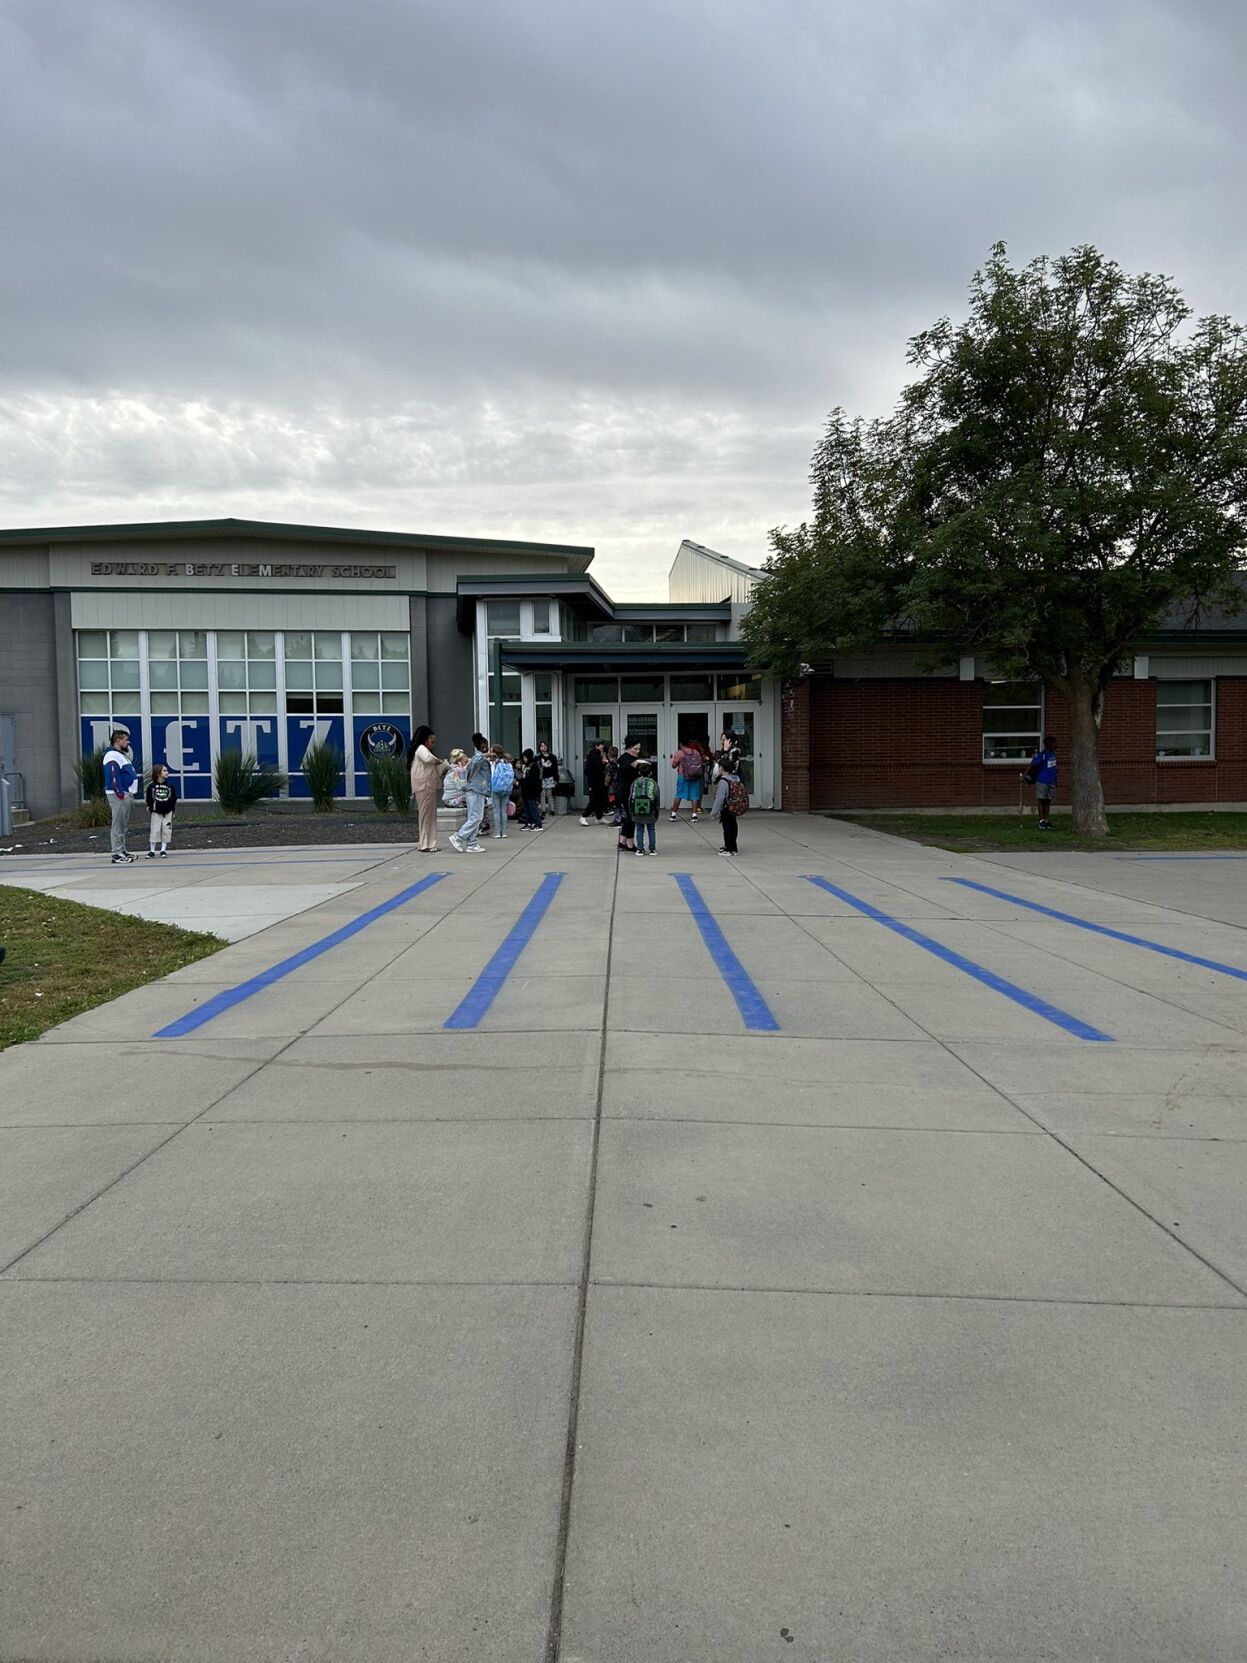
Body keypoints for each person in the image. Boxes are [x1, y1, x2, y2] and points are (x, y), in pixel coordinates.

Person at [409, 725, 449, 853]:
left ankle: (428, 843)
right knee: (426, 815)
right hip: (424, 786)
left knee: (429, 815)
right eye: (431, 742)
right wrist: (438, 761)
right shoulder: (421, 749)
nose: (433, 745)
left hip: (427, 786)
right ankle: (426, 843)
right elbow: (428, 759)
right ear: (425, 740)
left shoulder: (422, 750)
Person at [102, 726, 139, 864]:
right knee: (118, 824)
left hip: (124, 793)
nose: (128, 743)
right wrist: (120, 792)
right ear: (118, 740)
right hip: (119, 795)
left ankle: (122, 850)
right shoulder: (111, 755)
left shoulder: (119, 755)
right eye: (126, 740)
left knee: (123, 824)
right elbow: (113, 774)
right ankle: (116, 853)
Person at [450, 733, 491, 853]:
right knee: (476, 817)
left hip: (475, 790)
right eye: (486, 744)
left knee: (474, 817)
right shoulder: (479, 757)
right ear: (483, 745)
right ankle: (458, 837)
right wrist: (486, 754)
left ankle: (472, 843)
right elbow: (478, 760)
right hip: (475, 790)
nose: (488, 747)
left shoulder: (477, 758)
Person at [708, 756, 748, 857]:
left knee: (727, 828)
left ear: (722, 769)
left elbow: (719, 799)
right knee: (733, 827)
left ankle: (730, 849)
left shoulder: (723, 781)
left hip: (726, 808)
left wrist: (714, 812)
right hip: (734, 806)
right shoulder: (736, 778)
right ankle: (732, 847)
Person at [1022, 734, 1058, 830]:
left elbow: (1053, 767)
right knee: (1041, 800)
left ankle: (1046, 820)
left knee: (1048, 801)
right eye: (1054, 743)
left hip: (1051, 781)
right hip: (1042, 781)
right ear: (1049, 744)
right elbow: (1032, 764)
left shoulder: (1053, 754)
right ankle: (1041, 821)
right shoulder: (1043, 755)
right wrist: (1024, 776)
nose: (1056, 744)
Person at [144, 764, 178, 858]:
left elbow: (173, 799)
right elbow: (149, 799)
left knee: (166, 830)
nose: (167, 772)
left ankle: (163, 850)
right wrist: (151, 808)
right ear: (158, 773)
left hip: (168, 812)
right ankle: (152, 850)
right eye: (164, 771)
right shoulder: (151, 787)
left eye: (166, 770)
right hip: (156, 812)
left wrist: (172, 810)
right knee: (155, 830)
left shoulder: (170, 786)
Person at [616, 736, 642, 852]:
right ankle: (629, 843)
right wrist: (635, 763)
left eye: (638, 749)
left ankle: (623, 841)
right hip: (626, 792)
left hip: (629, 791)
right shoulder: (625, 758)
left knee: (629, 816)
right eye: (635, 749)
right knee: (631, 817)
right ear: (629, 748)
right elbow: (625, 771)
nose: (637, 751)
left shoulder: (628, 758)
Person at [629, 759, 660, 855]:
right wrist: (656, 810)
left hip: (638, 810)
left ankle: (640, 848)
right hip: (650, 810)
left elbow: (631, 797)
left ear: (639, 772)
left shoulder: (635, 782)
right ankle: (652, 848)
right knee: (651, 829)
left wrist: (631, 810)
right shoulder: (653, 783)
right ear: (650, 772)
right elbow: (657, 797)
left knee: (639, 829)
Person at [670, 739, 705, 822]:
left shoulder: (680, 753)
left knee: (679, 795)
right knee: (694, 796)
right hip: (695, 776)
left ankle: (673, 815)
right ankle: (694, 815)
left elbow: (673, 765)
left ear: (680, 743)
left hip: (683, 776)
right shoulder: (695, 752)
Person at [489, 747, 515, 838]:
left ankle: (497, 832)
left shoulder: (494, 764)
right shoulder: (508, 763)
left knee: (496, 811)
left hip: (496, 788)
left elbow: (492, 776)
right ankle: (504, 832)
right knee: (504, 811)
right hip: (506, 789)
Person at [581, 740, 608, 825]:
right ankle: (584, 816)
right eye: (601, 745)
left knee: (600, 800)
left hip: (598, 781)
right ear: (596, 746)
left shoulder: (597, 754)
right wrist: (604, 764)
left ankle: (599, 817)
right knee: (594, 800)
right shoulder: (595, 755)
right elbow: (597, 767)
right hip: (595, 782)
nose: (602, 746)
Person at [518, 748, 544, 828]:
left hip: (532, 790)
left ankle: (538, 823)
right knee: (527, 807)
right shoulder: (526, 766)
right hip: (525, 790)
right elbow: (524, 777)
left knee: (532, 807)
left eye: (525, 757)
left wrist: (522, 782)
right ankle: (529, 822)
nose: (524, 759)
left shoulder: (534, 766)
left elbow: (533, 779)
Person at [537, 741, 560, 818]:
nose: (543, 747)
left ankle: (552, 809)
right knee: (542, 794)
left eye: (545, 745)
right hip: (542, 777)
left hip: (550, 776)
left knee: (549, 794)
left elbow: (555, 768)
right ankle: (543, 810)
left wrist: (556, 778)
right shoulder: (538, 757)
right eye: (541, 746)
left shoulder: (552, 757)